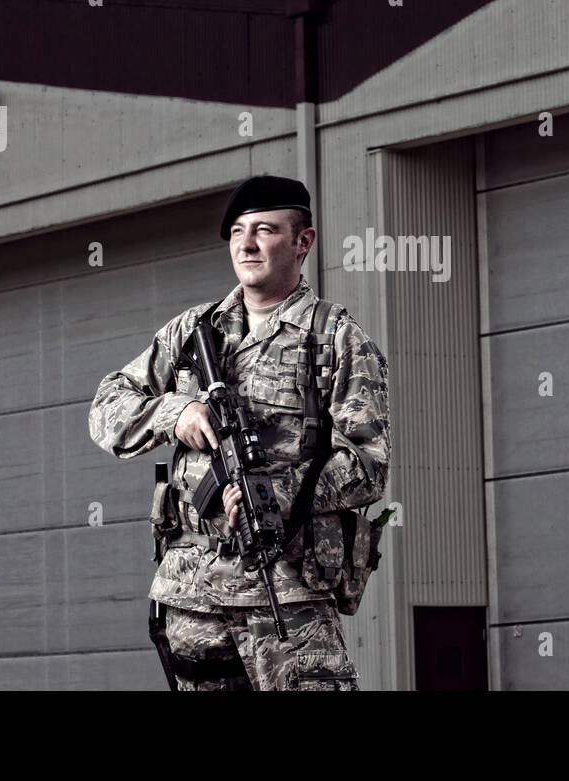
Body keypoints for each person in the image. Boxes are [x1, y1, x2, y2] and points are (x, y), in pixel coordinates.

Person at [87, 175, 390, 690]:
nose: (246, 245)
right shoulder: (192, 333)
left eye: (265, 230)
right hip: (192, 590)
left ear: (303, 242)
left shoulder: (336, 339)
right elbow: (106, 409)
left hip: (286, 589)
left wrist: (275, 494)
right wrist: (173, 414)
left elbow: (368, 466)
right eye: (237, 233)